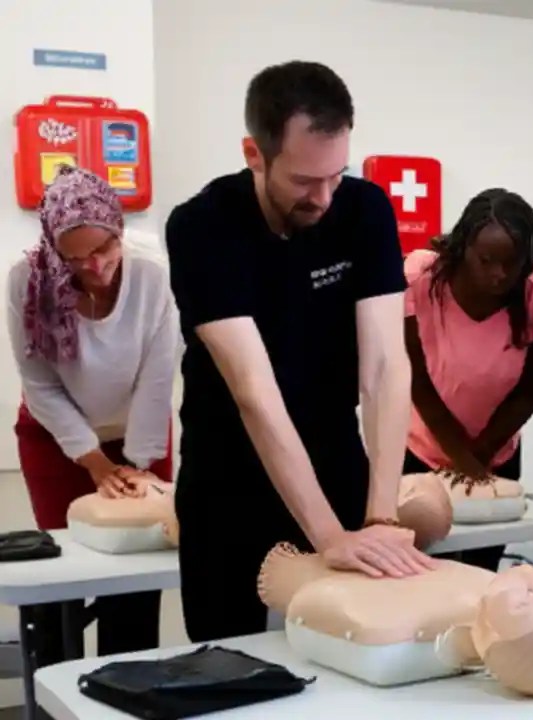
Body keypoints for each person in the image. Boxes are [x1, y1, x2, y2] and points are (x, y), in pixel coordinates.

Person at [164, 60, 433, 643]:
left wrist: (379, 517)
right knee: (227, 663)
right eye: (305, 182)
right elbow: (254, 393)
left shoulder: (365, 210)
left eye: (337, 174)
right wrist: (327, 536)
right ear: (254, 154)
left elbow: (386, 369)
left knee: (350, 650)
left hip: (335, 463)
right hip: (229, 476)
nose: (325, 196)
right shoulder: (202, 227)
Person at [6, 165, 175, 660]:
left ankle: (128, 687)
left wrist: (137, 467)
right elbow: (38, 381)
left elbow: (157, 375)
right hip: (56, 440)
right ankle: (56, 688)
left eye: (102, 250)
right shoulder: (26, 282)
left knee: (136, 573)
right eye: (74, 258)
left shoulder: (150, 277)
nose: (93, 267)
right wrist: (96, 462)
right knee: (59, 572)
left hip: (138, 434)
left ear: (117, 230)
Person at [403, 188, 533, 570]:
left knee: (479, 572)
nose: (499, 274)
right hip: (419, 451)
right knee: (417, 571)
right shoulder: (419, 279)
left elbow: (530, 390)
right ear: (463, 248)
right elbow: (415, 380)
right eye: (487, 260)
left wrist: (479, 461)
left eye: (513, 263)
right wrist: (461, 461)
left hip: (496, 453)